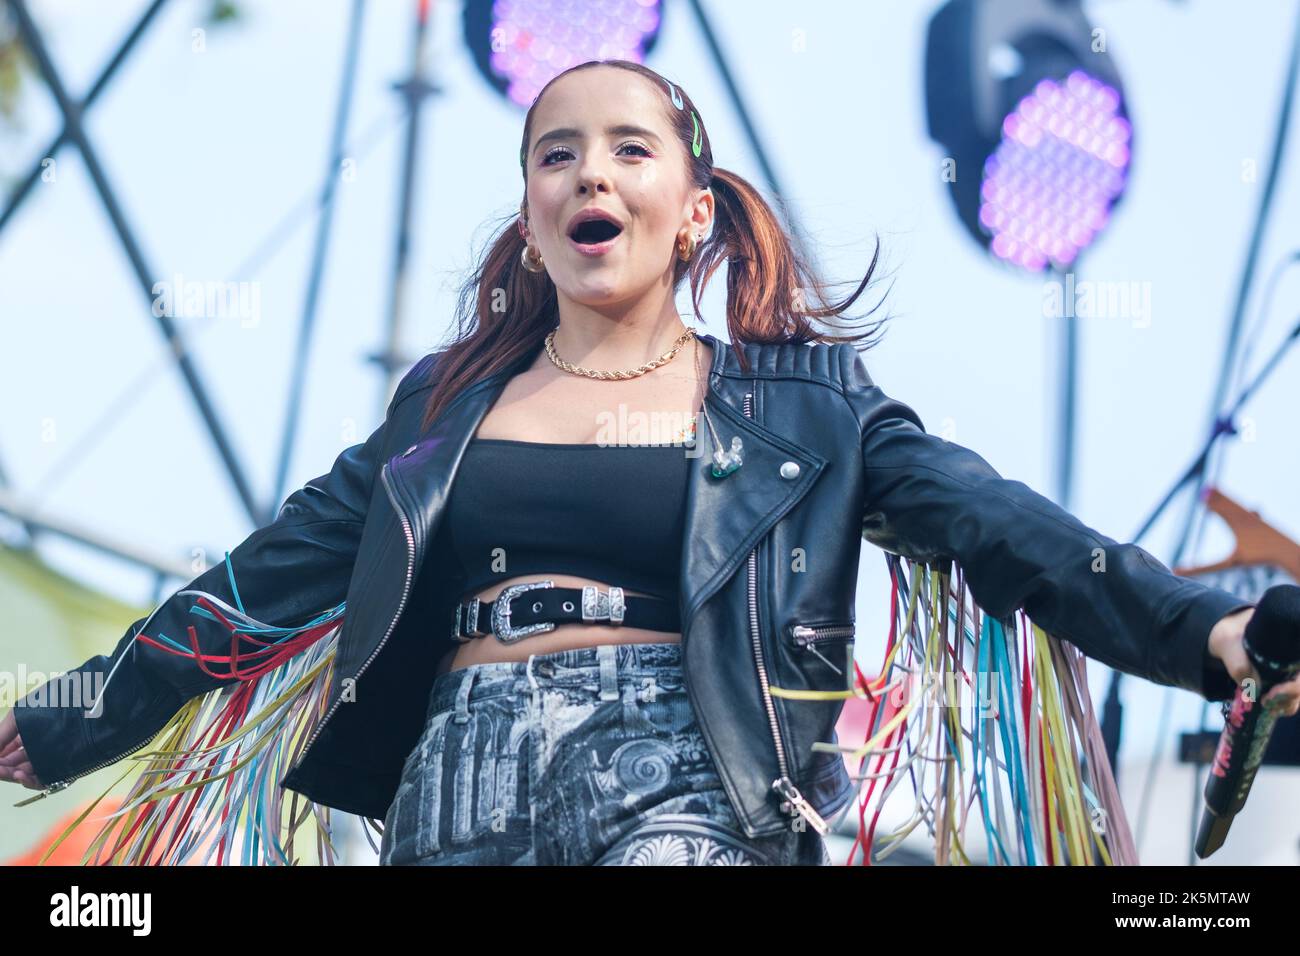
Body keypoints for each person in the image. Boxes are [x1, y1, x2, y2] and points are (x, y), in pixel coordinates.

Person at [3, 59, 1298, 866]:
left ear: (691, 212)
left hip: (690, 772)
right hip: (460, 772)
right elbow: (257, 584)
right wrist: (55, 725)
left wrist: (1210, 634)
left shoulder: (802, 407)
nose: (588, 168)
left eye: (629, 146)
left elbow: (1001, 529)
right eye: (556, 150)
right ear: (534, 215)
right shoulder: (441, 410)